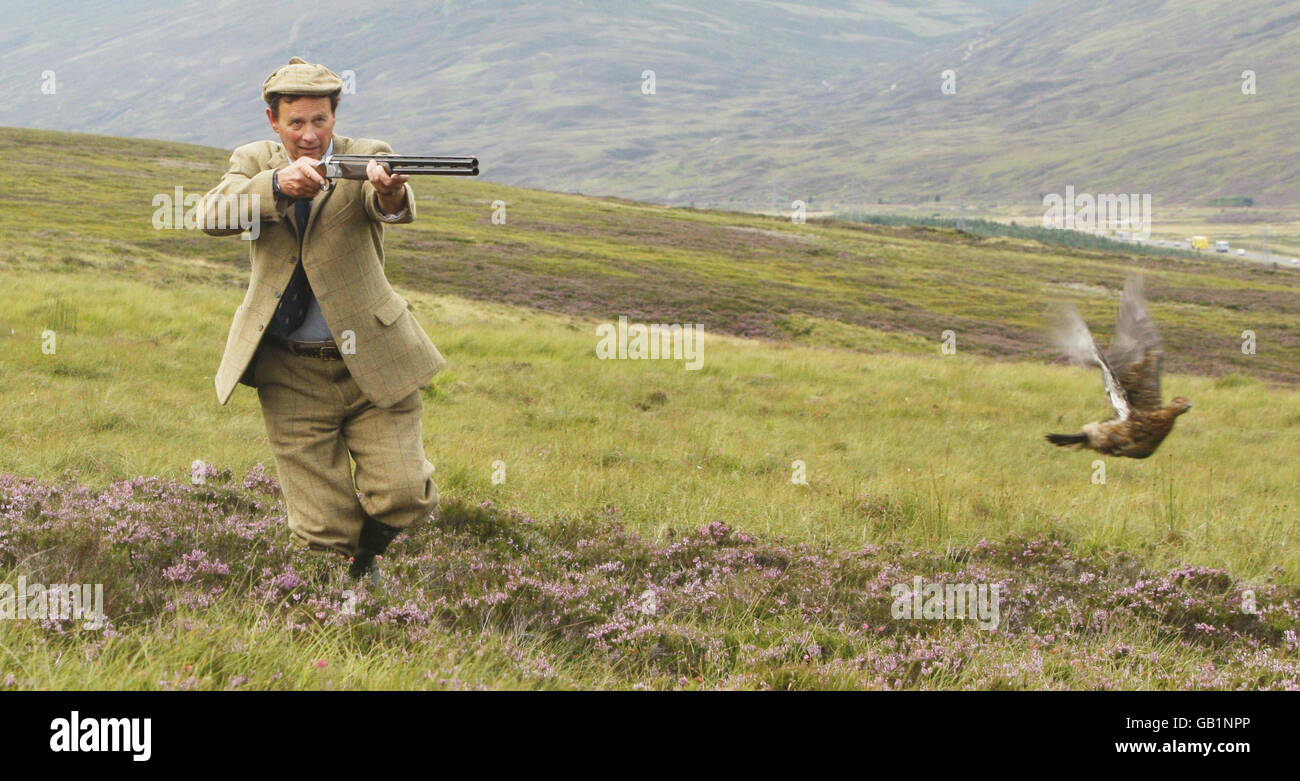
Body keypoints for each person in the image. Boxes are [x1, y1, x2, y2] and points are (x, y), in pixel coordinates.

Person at [201, 57, 447, 583]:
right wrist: (277, 186)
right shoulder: (253, 161)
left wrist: (389, 191)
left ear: (335, 116)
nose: (309, 135)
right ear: (273, 122)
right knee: (320, 530)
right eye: (296, 123)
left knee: (405, 493)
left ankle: (365, 563)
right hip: (288, 371)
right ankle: (349, 606)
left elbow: (392, 207)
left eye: (320, 121)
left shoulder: (368, 157)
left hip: (373, 362)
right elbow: (211, 215)